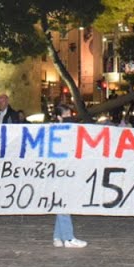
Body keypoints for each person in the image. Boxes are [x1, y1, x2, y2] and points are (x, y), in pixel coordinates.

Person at [51, 103, 87, 248]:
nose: (69, 117)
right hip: (59, 171)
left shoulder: (71, 130)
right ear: (59, 117)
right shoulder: (56, 132)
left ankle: (57, 236)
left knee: (62, 202)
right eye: (65, 115)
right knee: (65, 202)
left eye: (69, 114)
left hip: (66, 170)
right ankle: (68, 237)